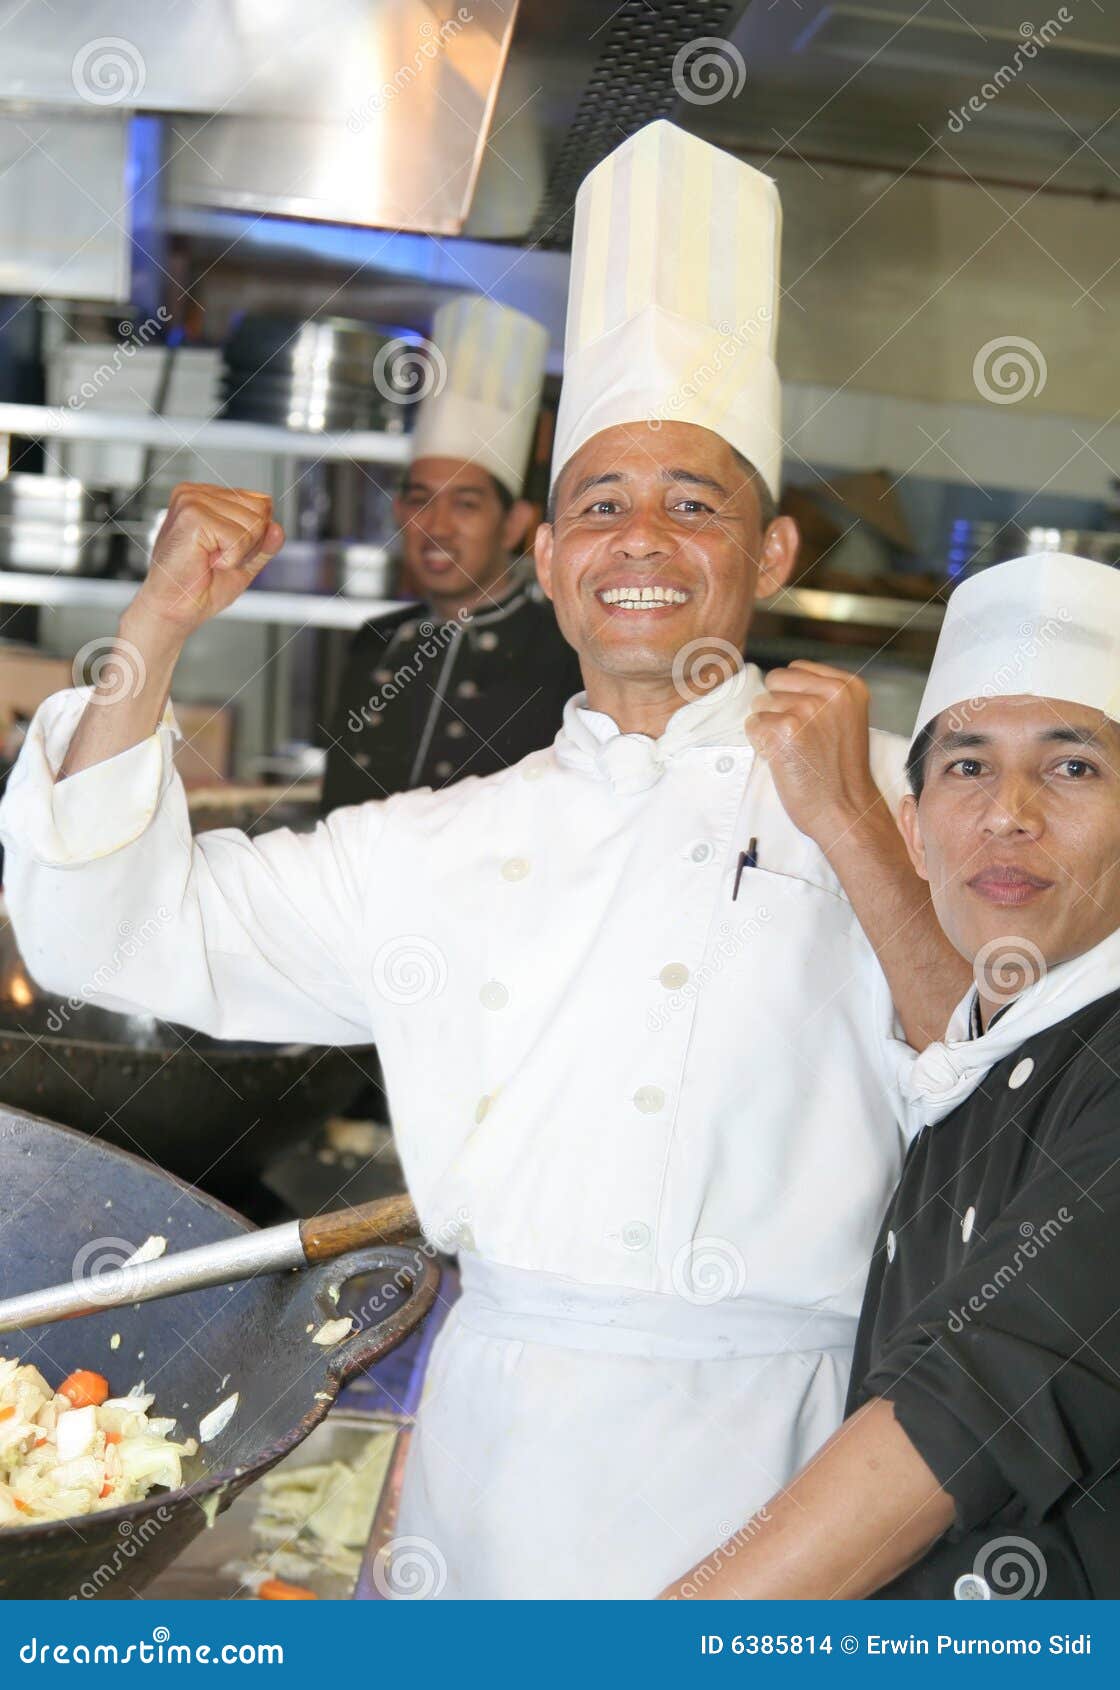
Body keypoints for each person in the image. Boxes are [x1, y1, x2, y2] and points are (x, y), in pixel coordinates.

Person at [0, 121, 969, 1599]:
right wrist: (156, 629)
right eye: (599, 501)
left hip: (792, 1462)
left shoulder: (915, 796)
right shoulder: (443, 843)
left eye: (692, 501)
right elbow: (112, 937)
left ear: (772, 553)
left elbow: (1018, 1091)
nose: (639, 535)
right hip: (492, 1467)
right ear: (554, 555)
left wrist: (854, 836)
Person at [663, 550, 1120, 1601]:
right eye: (965, 765)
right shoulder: (976, 1063)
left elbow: (965, 1406)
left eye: (1072, 766)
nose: (1008, 811)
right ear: (912, 833)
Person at [321, 295, 581, 812]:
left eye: (465, 504)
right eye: (420, 500)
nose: (436, 527)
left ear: (516, 524)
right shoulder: (373, 643)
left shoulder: (564, 654)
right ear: (399, 511)